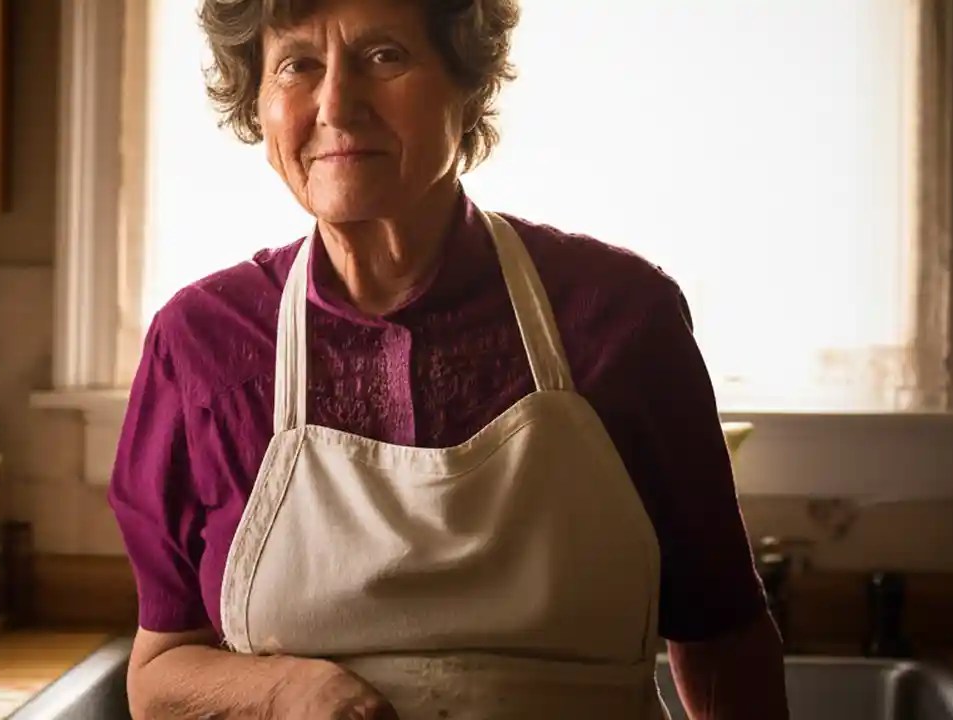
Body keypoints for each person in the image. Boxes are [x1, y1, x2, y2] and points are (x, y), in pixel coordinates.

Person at [109, 0, 790, 717]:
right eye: (297, 65)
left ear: (468, 86)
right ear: (258, 103)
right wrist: (283, 691)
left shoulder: (621, 318)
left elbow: (722, 638)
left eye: (384, 57)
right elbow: (157, 675)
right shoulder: (203, 344)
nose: (336, 104)